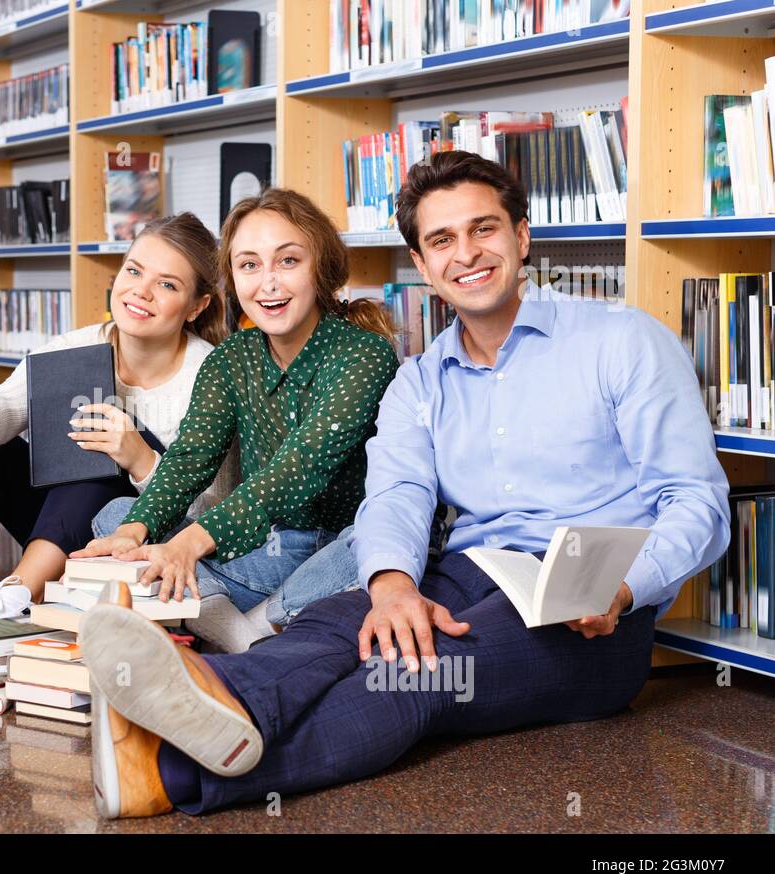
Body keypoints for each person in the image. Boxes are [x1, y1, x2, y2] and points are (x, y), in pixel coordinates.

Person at [79, 150, 731, 818]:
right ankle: (197, 694)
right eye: (441, 240)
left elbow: (698, 501)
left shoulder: (622, 342)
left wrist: (621, 584)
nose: (466, 254)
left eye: (484, 229)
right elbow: (396, 495)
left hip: (590, 610)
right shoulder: (420, 379)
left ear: (522, 237)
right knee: (337, 624)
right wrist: (391, 586)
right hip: (468, 570)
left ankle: (165, 766)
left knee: (413, 670)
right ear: (421, 264)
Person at [0, 213, 235, 638]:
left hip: (142, 542)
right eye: (134, 270)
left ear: (197, 306)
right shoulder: (79, 344)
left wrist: (140, 460)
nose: (141, 291)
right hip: (65, 531)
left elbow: (218, 512)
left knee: (103, 443)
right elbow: (9, 407)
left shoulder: (213, 376)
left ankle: (18, 597)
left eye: (167, 284)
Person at [75, 187, 400, 637]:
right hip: (256, 544)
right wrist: (137, 529)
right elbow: (189, 460)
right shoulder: (231, 358)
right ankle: (245, 626)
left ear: (321, 268)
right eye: (249, 264)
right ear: (232, 277)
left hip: (334, 548)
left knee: (378, 541)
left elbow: (298, 469)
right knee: (117, 515)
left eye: (288, 261)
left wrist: (191, 542)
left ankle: (235, 628)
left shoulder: (363, 354)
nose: (268, 282)